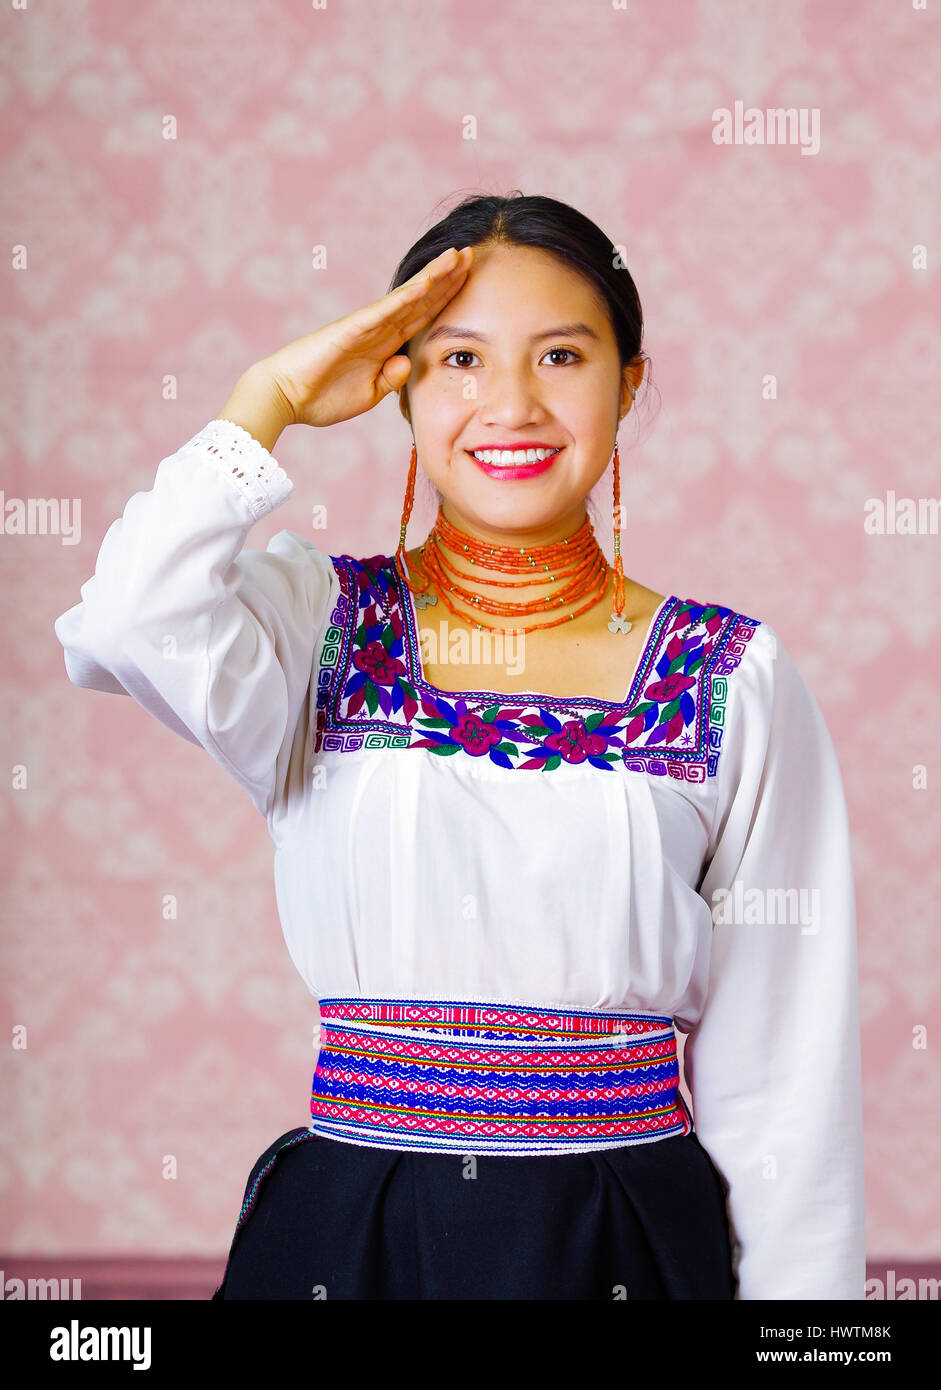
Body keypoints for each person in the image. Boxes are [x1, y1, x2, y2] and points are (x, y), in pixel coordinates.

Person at [53, 192, 865, 1301]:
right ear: (401, 387)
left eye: (562, 355)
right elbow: (119, 623)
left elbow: (786, 1071)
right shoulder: (313, 626)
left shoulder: (729, 675)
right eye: (460, 359)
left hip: (624, 1239)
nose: (512, 404)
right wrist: (270, 400)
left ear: (628, 384)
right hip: (350, 1237)